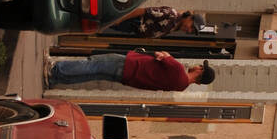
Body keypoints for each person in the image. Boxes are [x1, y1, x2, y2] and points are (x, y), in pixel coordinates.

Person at [45, 51, 215, 92]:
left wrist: (166, 55)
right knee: (94, 74)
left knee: (93, 63)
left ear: (200, 71)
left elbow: (160, 54)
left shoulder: (178, 69)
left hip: (130, 65)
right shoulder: (181, 86)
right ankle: (55, 79)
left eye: (200, 66)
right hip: (129, 77)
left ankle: (55, 69)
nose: (197, 65)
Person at [102, 7, 205, 38]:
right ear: (190, 18)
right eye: (192, 26)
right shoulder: (171, 15)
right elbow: (142, 11)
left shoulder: (174, 27)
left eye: (192, 31)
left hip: (131, 28)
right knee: (102, 20)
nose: (189, 30)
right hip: (132, 21)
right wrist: (120, 19)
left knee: (101, 24)